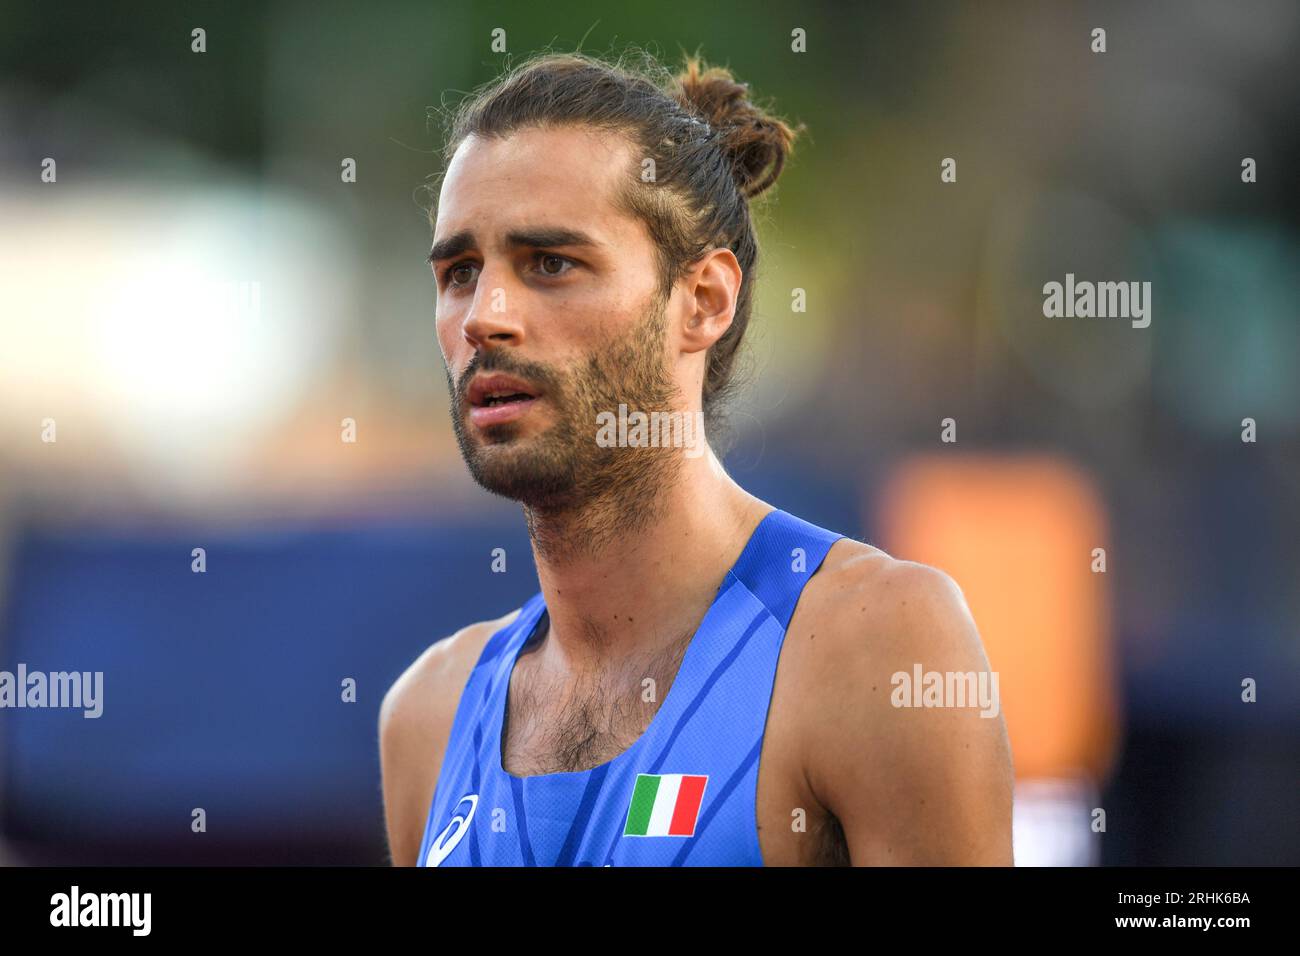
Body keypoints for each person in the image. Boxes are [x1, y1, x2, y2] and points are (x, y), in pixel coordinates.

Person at [380, 49, 1013, 866]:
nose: (485, 317)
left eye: (550, 264)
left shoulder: (877, 646)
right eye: (460, 272)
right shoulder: (427, 714)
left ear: (704, 300)